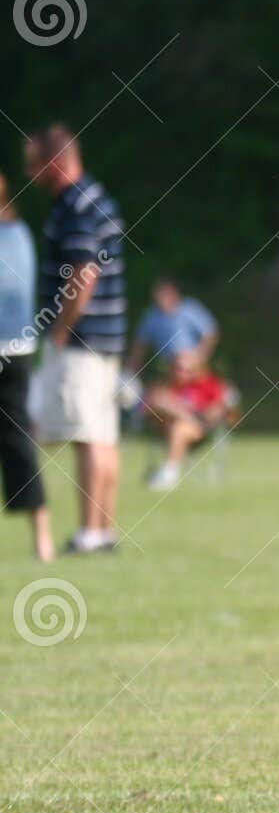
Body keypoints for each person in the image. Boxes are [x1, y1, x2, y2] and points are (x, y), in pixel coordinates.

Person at [25, 126, 126, 553]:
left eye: (34, 164)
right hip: (107, 336)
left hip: (83, 338)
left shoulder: (75, 205)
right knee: (103, 435)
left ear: (55, 163)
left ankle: (88, 533)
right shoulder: (97, 196)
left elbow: (83, 272)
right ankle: (102, 529)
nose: (29, 173)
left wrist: (62, 326)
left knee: (86, 436)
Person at [0, 170, 53, 559]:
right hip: (20, 347)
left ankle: (43, 537)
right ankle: (43, 538)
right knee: (18, 439)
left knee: (17, 439)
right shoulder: (19, 234)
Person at [142, 349, 236, 490]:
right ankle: (167, 472)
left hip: (198, 431)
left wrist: (201, 414)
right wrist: (182, 412)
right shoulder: (164, 385)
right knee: (167, 409)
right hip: (163, 429)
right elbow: (149, 406)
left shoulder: (208, 384)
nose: (181, 373)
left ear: (195, 369)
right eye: (177, 368)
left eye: (186, 370)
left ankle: (169, 473)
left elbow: (220, 411)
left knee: (180, 428)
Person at [128, 277, 218, 374]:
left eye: (165, 293)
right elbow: (139, 345)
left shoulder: (189, 308)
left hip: (193, 368)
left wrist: (198, 357)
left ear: (175, 292)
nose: (161, 297)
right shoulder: (151, 316)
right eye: (159, 293)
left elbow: (210, 334)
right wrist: (131, 370)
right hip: (168, 369)